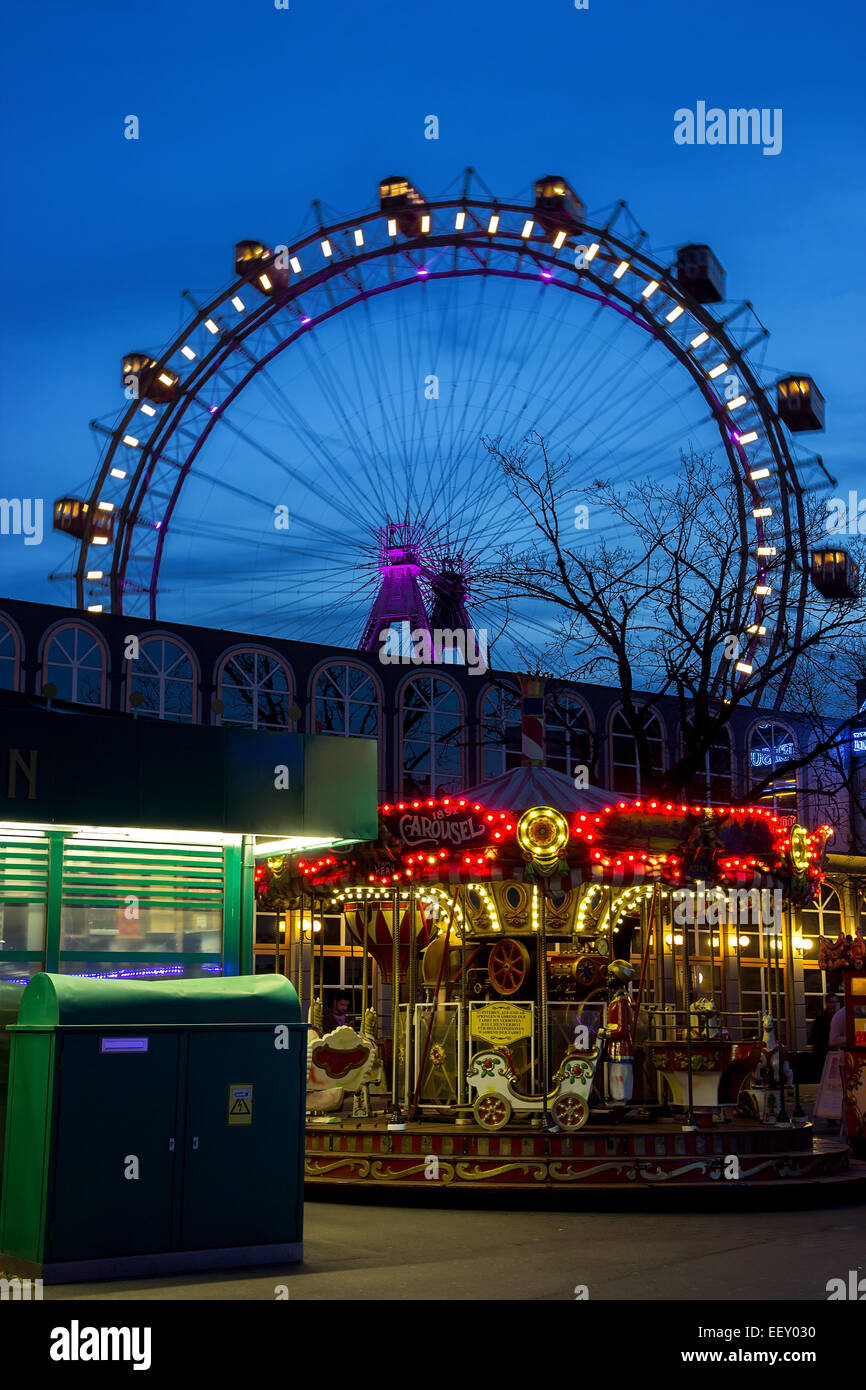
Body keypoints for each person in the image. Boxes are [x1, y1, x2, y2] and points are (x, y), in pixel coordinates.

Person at [809, 994, 840, 1064]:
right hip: (823, 1055)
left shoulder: (840, 1019)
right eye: (831, 1002)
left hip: (837, 1054)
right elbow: (814, 1039)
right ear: (827, 1003)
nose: (834, 1005)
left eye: (836, 1002)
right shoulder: (820, 1020)